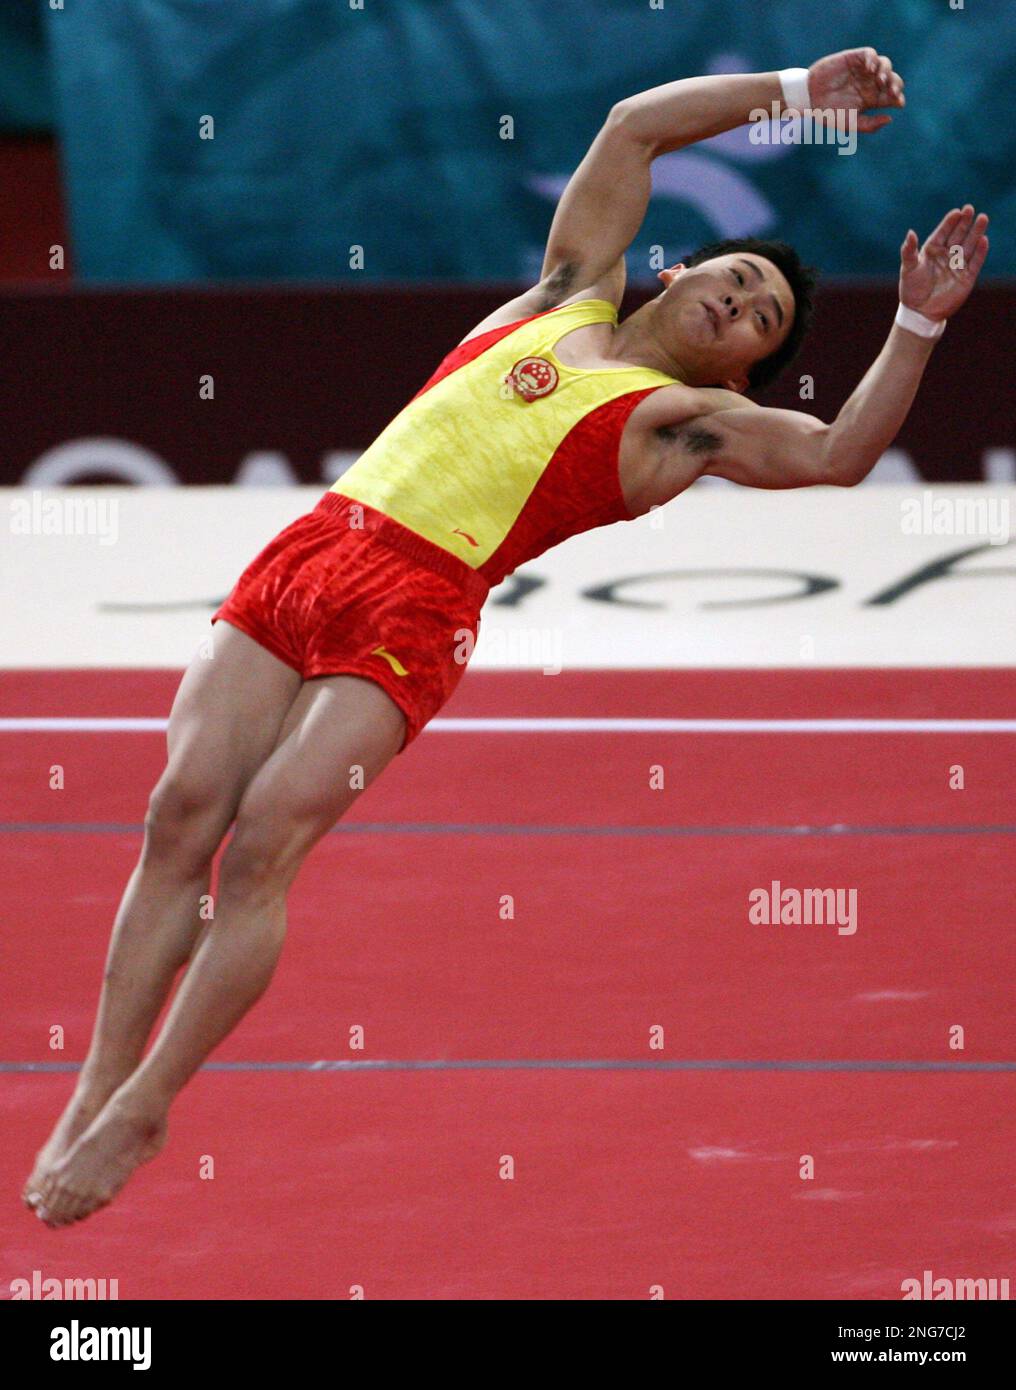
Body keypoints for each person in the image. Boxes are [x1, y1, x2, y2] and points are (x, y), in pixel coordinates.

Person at [24, 46, 988, 1227]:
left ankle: (149, 1102)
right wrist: (792, 96)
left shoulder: (687, 423)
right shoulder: (560, 293)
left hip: (416, 608)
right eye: (736, 277)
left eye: (761, 318)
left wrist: (914, 326)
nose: (737, 301)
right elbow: (633, 122)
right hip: (310, 549)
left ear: (746, 367)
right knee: (180, 812)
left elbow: (836, 456)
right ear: (677, 265)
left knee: (265, 841)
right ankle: (89, 1089)